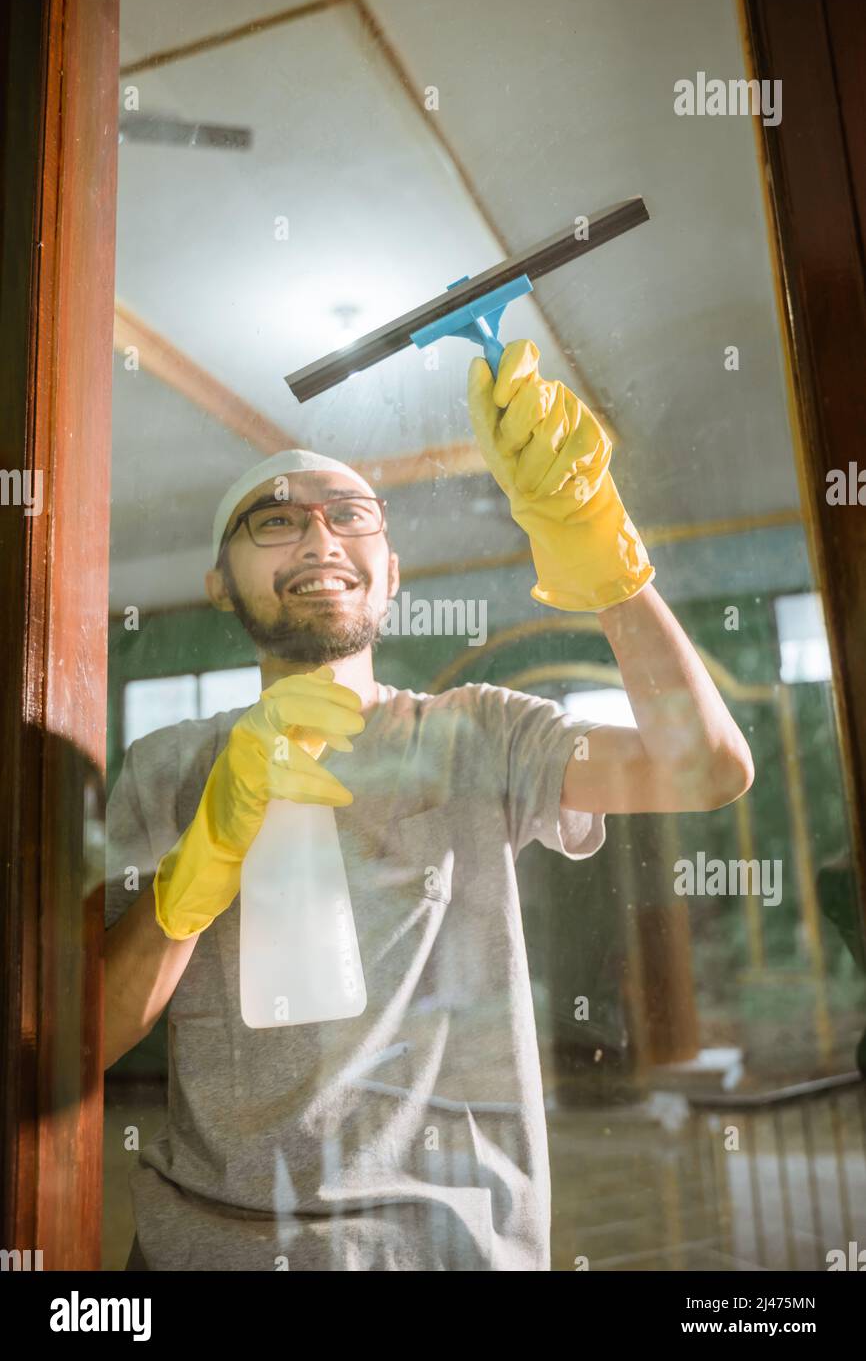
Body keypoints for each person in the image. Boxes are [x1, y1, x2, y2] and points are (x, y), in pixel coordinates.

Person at [105, 341, 754, 1271]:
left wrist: (609, 563)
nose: (320, 540)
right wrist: (196, 868)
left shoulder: (479, 733)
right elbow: (90, 1037)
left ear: (393, 570)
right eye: (275, 520)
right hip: (203, 1256)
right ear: (218, 583)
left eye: (350, 516)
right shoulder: (168, 766)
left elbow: (706, 772)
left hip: (449, 1252)